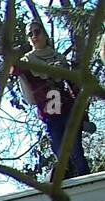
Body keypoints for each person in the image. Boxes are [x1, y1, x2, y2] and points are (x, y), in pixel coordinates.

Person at [11, 20, 91, 180]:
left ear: (44, 34)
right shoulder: (26, 63)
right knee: (62, 157)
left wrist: (84, 117)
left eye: (37, 32)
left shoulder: (59, 58)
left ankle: (88, 185)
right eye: (30, 34)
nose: (34, 36)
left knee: (77, 153)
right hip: (49, 116)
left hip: (68, 112)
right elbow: (16, 74)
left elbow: (74, 88)